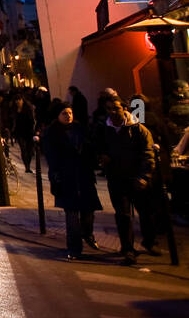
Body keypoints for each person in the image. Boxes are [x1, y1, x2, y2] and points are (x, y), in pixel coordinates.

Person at [99, 100, 160, 264]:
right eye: (109, 109)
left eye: (116, 108)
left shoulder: (138, 129)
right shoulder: (104, 129)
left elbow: (148, 154)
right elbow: (99, 147)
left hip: (136, 177)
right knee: (123, 215)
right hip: (117, 178)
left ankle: (149, 242)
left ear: (124, 109)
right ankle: (127, 248)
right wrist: (102, 158)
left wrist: (144, 177)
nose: (113, 112)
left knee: (146, 212)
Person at [41, 105, 102, 260]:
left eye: (70, 113)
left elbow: (91, 147)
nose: (68, 115)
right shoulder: (52, 132)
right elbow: (51, 156)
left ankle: (87, 233)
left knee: (88, 210)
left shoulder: (80, 129)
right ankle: (74, 248)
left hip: (84, 175)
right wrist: (56, 175)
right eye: (64, 113)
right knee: (72, 214)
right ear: (58, 115)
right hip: (65, 176)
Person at [14, 95, 37, 173]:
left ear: (22, 100)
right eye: (16, 100)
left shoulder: (28, 108)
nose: (18, 102)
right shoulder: (14, 109)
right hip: (20, 132)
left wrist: (33, 130)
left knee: (29, 150)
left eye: (19, 100)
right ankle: (27, 166)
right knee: (23, 149)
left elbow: (32, 120)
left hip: (28, 131)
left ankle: (28, 164)